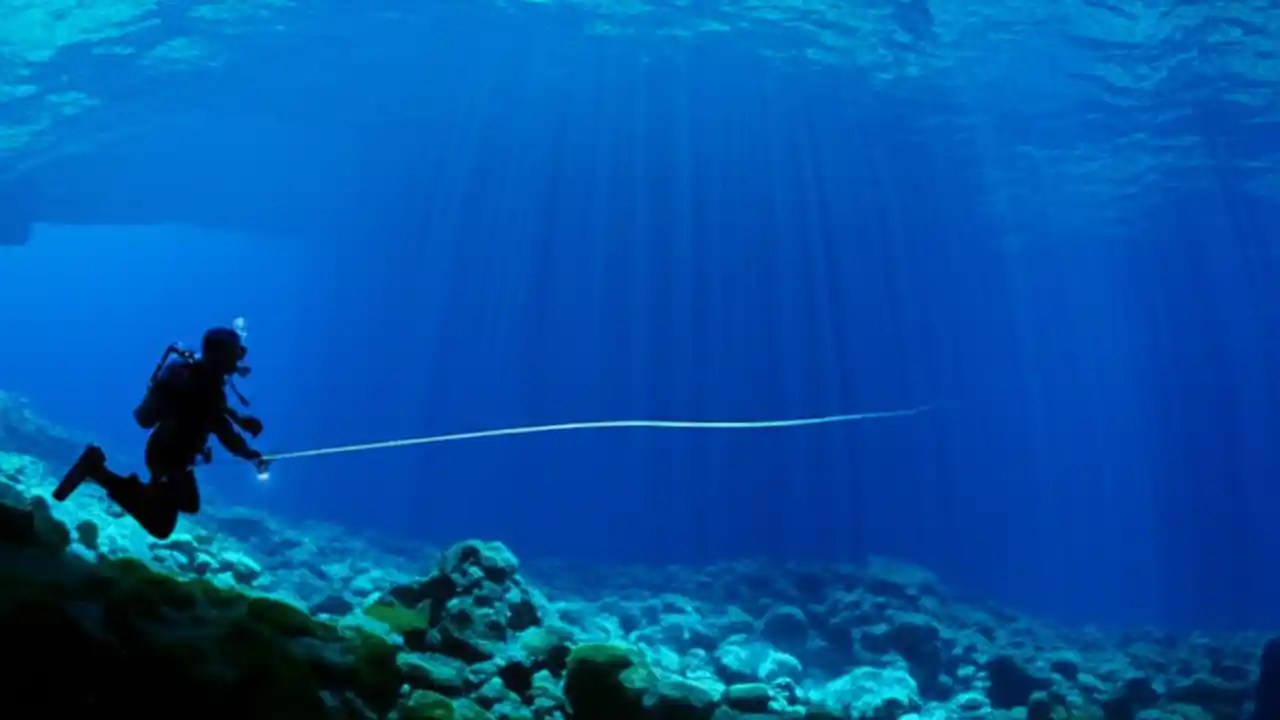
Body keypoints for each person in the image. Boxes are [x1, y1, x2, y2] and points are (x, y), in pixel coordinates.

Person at [54, 326, 269, 539]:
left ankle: (110, 479)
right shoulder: (207, 388)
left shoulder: (192, 371)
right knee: (162, 525)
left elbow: (215, 411)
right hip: (170, 457)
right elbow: (224, 430)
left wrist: (240, 422)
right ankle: (97, 471)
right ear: (221, 357)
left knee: (187, 503)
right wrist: (250, 455)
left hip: (163, 450)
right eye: (234, 354)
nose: (238, 360)